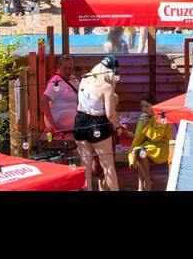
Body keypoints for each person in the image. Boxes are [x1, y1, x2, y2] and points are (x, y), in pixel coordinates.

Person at [74, 56, 125, 191]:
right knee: (108, 166)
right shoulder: (106, 87)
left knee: (85, 164)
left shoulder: (84, 78)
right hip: (98, 123)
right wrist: (118, 126)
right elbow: (110, 114)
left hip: (80, 121)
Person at [128, 97, 173, 191]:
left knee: (141, 152)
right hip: (150, 145)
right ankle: (141, 183)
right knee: (134, 153)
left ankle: (147, 180)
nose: (144, 109)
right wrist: (133, 147)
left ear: (154, 106)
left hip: (162, 146)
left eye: (147, 106)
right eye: (142, 107)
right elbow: (139, 136)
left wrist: (146, 126)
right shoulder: (144, 117)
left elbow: (158, 136)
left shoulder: (162, 117)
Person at [42, 56, 80, 148]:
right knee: (88, 125)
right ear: (59, 67)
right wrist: (52, 125)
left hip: (73, 118)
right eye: (65, 68)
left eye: (70, 68)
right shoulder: (56, 82)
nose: (68, 71)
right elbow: (44, 100)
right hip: (60, 120)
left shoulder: (74, 80)